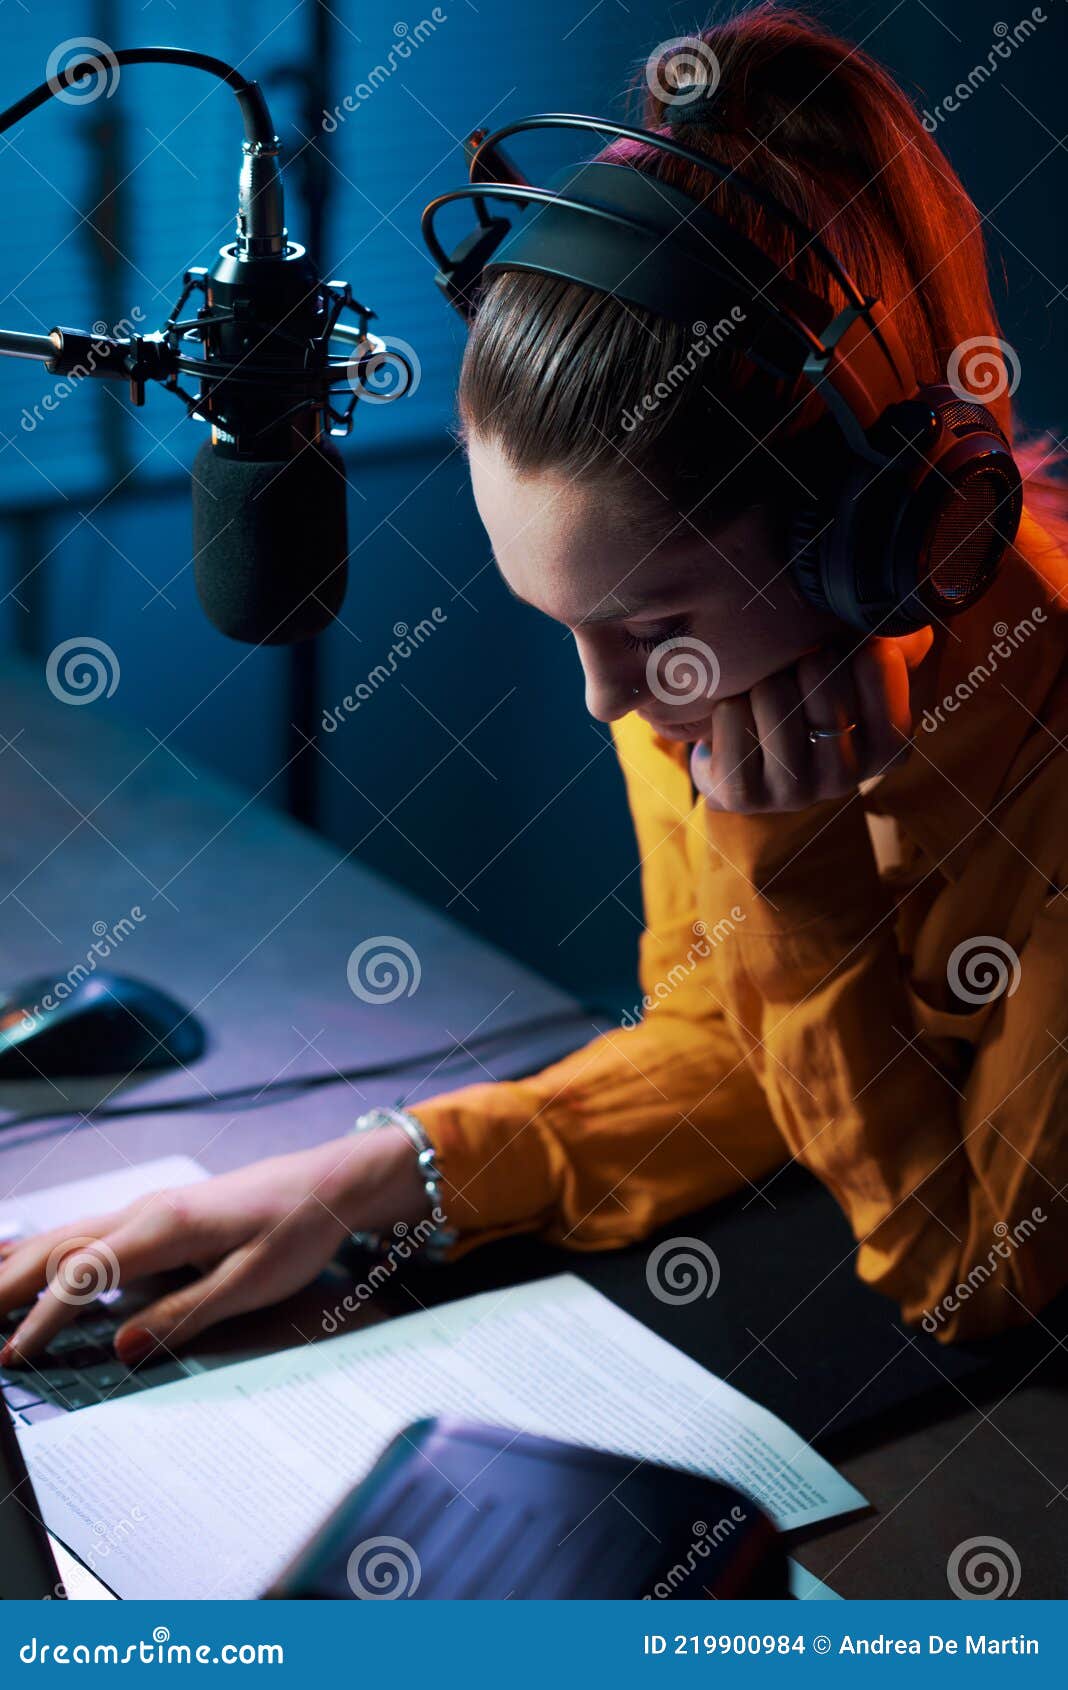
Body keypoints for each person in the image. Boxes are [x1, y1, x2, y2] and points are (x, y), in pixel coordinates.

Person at [2, 4, 1066, 1367]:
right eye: (567, 624)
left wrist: (796, 868)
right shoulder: (714, 685)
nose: (606, 701)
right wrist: (359, 1177)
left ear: (880, 540)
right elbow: (732, 1048)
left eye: (649, 622)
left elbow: (958, 1271)